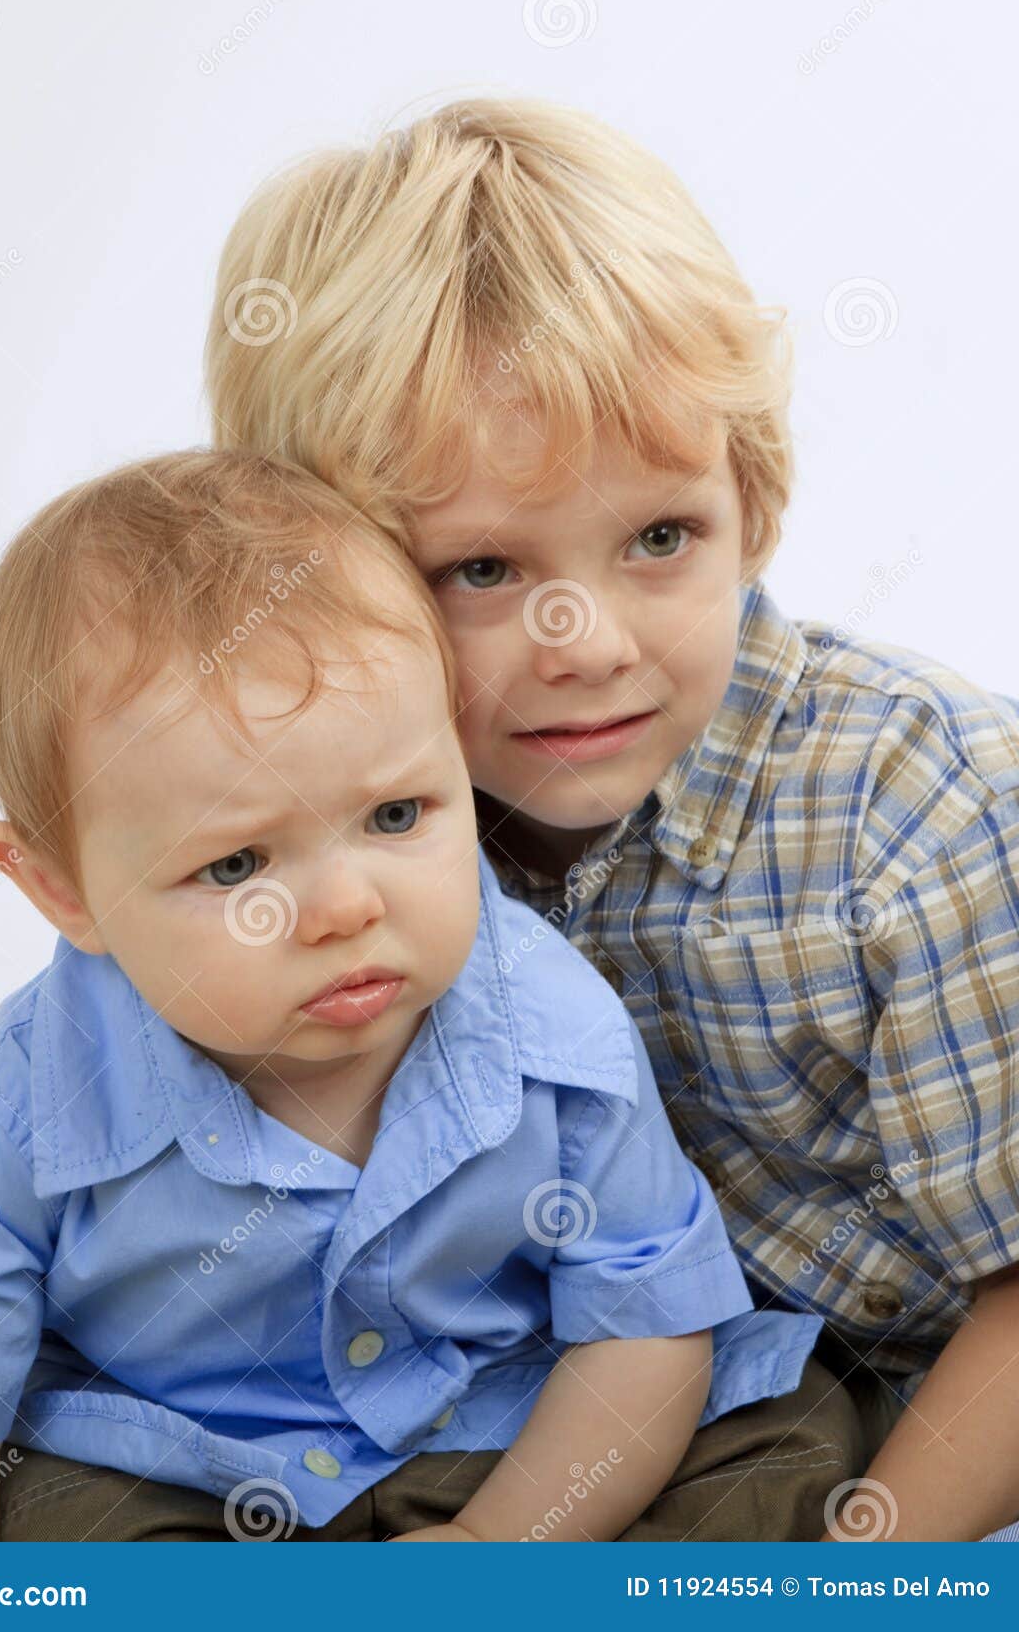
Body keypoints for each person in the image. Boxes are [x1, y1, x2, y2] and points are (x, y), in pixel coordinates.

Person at [205, 98, 1019, 1541]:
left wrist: (852, 1569)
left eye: (658, 537)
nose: (581, 639)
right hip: (701, 1411)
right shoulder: (365, 838)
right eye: (480, 567)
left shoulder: (913, 805)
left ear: (749, 502)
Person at [0, 450, 837, 1543]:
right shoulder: (20, 1096)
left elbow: (642, 1329)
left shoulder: (553, 1026)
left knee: (788, 1442)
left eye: (400, 815)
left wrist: (496, 1546)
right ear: (60, 887)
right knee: (43, 1525)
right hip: (177, 1462)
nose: (343, 906)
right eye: (234, 868)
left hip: (499, 1432)